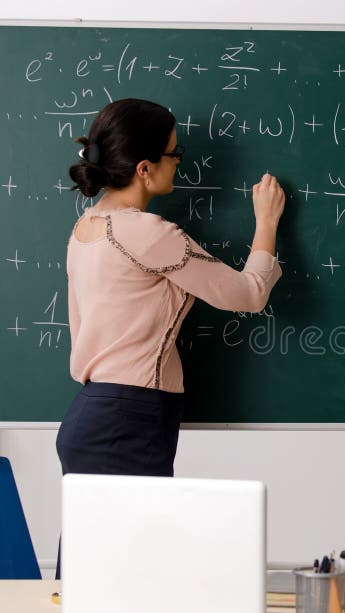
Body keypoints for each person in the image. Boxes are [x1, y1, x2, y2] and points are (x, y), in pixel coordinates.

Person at [54, 98, 285, 577]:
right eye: (175, 154)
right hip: (128, 419)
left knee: (92, 584)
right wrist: (266, 223)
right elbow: (247, 294)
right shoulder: (148, 234)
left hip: (95, 415)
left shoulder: (86, 228)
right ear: (144, 168)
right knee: (131, 583)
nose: (181, 163)